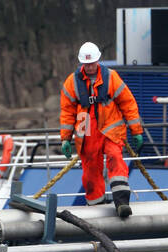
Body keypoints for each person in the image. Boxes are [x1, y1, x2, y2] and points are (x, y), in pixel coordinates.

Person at [59, 42, 145, 219]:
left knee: (115, 158)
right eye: (86, 64)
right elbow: (67, 112)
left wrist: (136, 131)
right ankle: (95, 208)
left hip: (110, 127)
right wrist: (65, 139)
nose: (90, 67)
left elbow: (128, 103)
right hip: (86, 128)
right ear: (82, 63)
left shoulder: (111, 78)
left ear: (98, 60)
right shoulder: (71, 83)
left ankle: (122, 203)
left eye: (92, 63)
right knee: (90, 169)